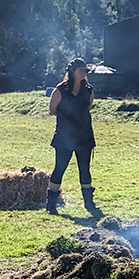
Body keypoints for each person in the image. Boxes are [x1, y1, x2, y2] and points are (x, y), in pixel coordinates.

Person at [47, 58, 101, 217]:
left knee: (85, 169)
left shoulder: (88, 89)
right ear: (72, 72)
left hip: (84, 135)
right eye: (81, 70)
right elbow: (52, 109)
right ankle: (51, 205)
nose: (84, 73)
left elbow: (89, 107)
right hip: (64, 137)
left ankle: (88, 202)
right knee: (60, 168)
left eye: (86, 70)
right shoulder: (60, 90)